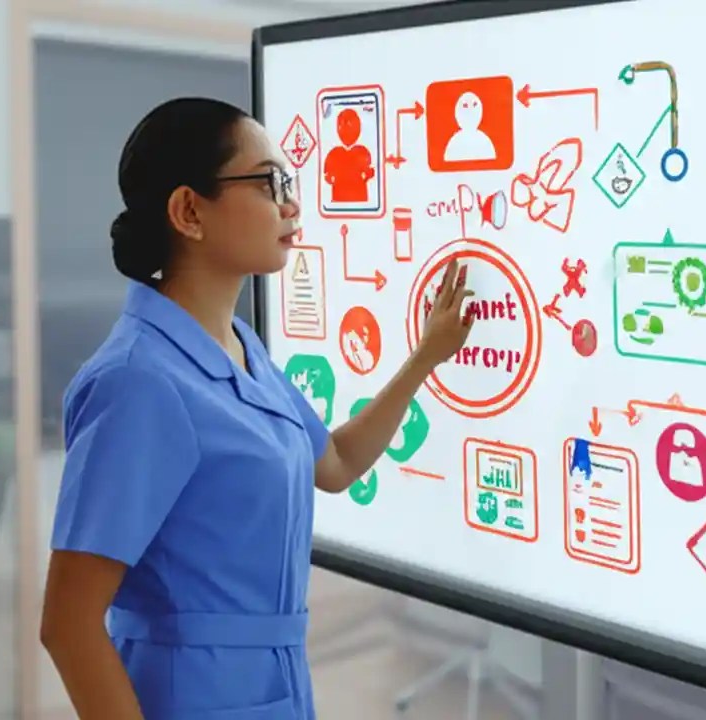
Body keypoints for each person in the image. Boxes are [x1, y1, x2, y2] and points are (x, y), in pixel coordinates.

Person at [39, 97, 475, 720]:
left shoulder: (242, 350)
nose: (292, 204)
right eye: (271, 183)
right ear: (189, 210)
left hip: (274, 691)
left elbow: (338, 463)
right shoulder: (139, 382)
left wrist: (426, 356)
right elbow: (69, 625)